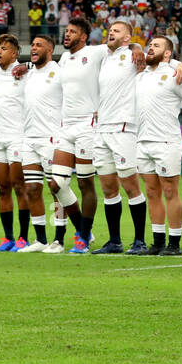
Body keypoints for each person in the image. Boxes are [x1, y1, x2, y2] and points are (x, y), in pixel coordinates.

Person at [89, 21, 147, 255]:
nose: (110, 32)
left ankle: (140, 241)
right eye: (109, 30)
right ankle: (114, 241)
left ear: (126, 38)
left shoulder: (133, 57)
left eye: (117, 30)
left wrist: (136, 46)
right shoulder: (104, 58)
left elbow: (157, 59)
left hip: (123, 127)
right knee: (108, 188)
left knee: (131, 185)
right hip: (102, 129)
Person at [134, 35, 182, 255]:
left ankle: (174, 243)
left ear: (167, 53)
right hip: (142, 141)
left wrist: (180, 65)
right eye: (150, 45)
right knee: (151, 192)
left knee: (170, 191)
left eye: (156, 46)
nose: (151, 48)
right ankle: (158, 241)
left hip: (166, 141)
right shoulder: (140, 77)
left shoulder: (173, 75)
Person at [16, 33, 73, 252]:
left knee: (57, 189)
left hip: (52, 137)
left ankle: (59, 239)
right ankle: (40, 240)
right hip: (29, 138)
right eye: (32, 44)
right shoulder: (28, 72)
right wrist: (27, 64)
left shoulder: (60, 72)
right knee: (31, 188)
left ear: (50, 50)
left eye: (39, 45)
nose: (33, 47)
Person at [55, 16, 108, 253]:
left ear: (83, 37)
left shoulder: (96, 53)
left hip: (88, 125)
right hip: (66, 127)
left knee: (86, 183)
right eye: (66, 31)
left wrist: (137, 50)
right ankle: (84, 231)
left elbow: (129, 47)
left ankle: (83, 237)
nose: (67, 35)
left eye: (72, 32)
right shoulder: (64, 58)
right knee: (56, 184)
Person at [0, 34, 30, 251]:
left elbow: (45, 66)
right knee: (2, 188)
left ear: (14, 53)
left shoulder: (25, 72)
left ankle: (23, 237)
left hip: (17, 137)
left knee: (19, 187)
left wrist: (29, 65)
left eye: (3, 48)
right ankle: (8, 238)